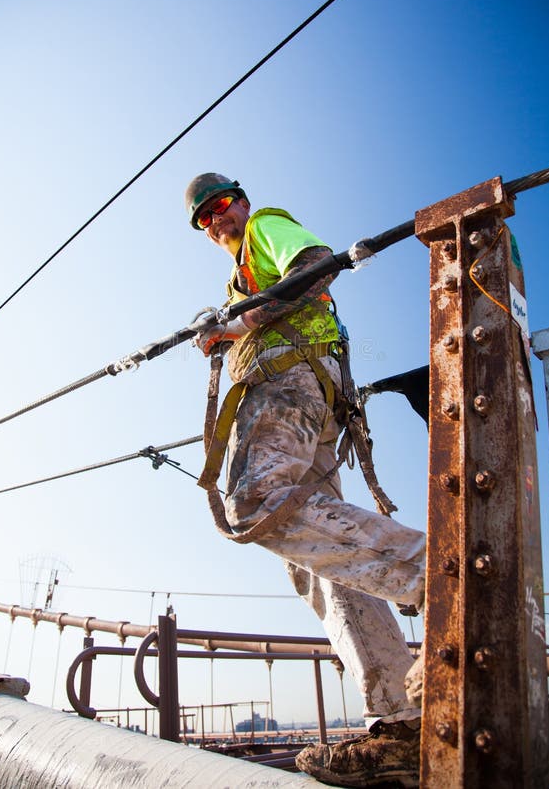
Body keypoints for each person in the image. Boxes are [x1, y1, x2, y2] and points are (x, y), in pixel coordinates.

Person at [185, 172, 426, 788]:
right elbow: (271, 308)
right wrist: (226, 330)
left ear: (242, 201)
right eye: (205, 218)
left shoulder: (265, 227)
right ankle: (401, 719)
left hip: (290, 387)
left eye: (222, 206)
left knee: (254, 503)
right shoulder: (241, 274)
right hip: (313, 398)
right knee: (321, 558)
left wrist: (245, 316)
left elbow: (317, 265)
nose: (218, 220)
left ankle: (432, 573)